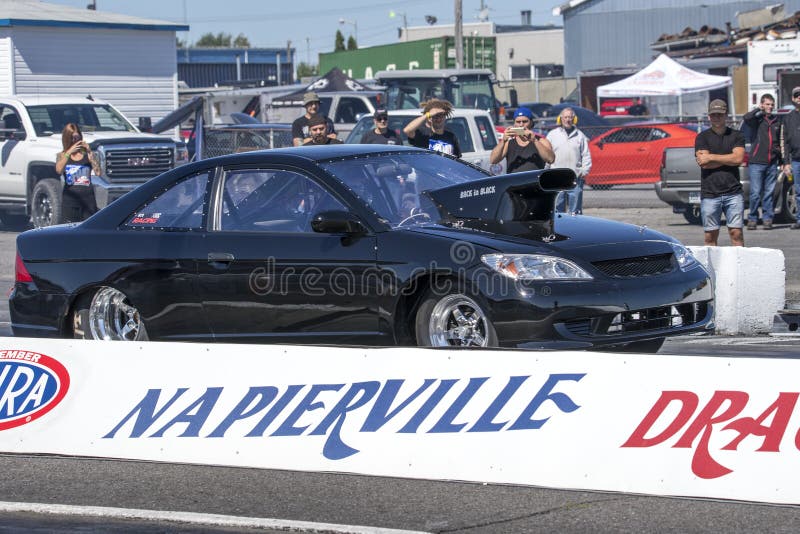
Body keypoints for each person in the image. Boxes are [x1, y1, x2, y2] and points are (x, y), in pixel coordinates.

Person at [695, 99, 745, 247]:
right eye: (713, 114)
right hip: (710, 193)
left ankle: (739, 267)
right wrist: (727, 159)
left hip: (733, 192)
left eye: (720, 114)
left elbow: (738, 159)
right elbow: (704, 164)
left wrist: (711, 156)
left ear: (726, 115)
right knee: (710, 236)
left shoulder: (736, 135)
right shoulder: (702, 137)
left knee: (736, 233)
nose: (716, 117)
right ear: (709, 116)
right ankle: (711, 269)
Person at [743, 93, 781, 230]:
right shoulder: (757, 120)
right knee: (755, 192)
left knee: (769, 193)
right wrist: (757, 109)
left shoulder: (776, 121)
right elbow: (746, 118)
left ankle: (767, 218)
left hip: (772, 162)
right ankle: (752, 218)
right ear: (762, 104)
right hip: (757, 162)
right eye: (767, 104)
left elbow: (780, 141)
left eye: (771, 104)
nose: (770, 107)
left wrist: (781, 159)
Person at [546, 107, 592, 213]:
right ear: (560, 119)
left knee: (575, 211)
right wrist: (547, 171)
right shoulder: (552, 135)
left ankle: (575, 229)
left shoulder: (580, 136)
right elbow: (547, 154)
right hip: (557, 177)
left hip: (574, 177)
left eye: (570, 117)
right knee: (557, 209)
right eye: (565, 117)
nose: (568, 120)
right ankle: (558, 229)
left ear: (574, 119)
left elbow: (586, 155)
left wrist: (583, 171)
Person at [54, 123, 101, 224]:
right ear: (67, 139)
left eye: (77, 137)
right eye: (72, 138)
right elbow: (59, 170)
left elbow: (98, 172)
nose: (75, 141)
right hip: (70, 201)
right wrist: (69, 152)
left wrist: (89, 152)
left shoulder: (87, 155)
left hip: (88, 201)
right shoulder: (62, 155)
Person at [490, 106, 554, 173]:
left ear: (531, 123)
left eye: (525, 121)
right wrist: (503, 141)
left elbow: (551, 159)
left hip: (534, 181)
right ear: (514, 124)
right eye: (518, 122)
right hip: (514, 182)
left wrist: (535, 141)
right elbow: (493, 160)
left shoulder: (541, 141)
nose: (521, 125)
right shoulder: (509, 143)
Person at [782, 86, 800, 230]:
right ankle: (799, 219)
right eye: (797, 95)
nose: (799, 97)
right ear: (793, 99)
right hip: (796, 160)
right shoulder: (788, 118)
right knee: (798, 191)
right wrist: (786, 163)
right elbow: (785, 143)